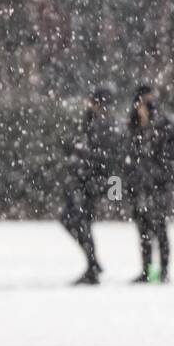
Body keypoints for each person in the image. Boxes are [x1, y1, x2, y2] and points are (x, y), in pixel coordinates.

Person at [124, 84, 174, 283]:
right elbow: (124, 160)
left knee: (159, 229)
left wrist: (164, 178)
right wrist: (119, 190)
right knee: (143, 232)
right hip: (139, 188)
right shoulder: (132, 127)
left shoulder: (164, 126)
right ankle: (147, 271)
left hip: (158, 187)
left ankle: (164, 271)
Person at [60, 87, 118, 285]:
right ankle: (92, 262)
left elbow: (105, 158)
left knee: (79, 221)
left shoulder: (106, 125)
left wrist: (80, 153)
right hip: (85, 180)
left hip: (91, 182)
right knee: (77, 221)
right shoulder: (93, 122)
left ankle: (92, 265)